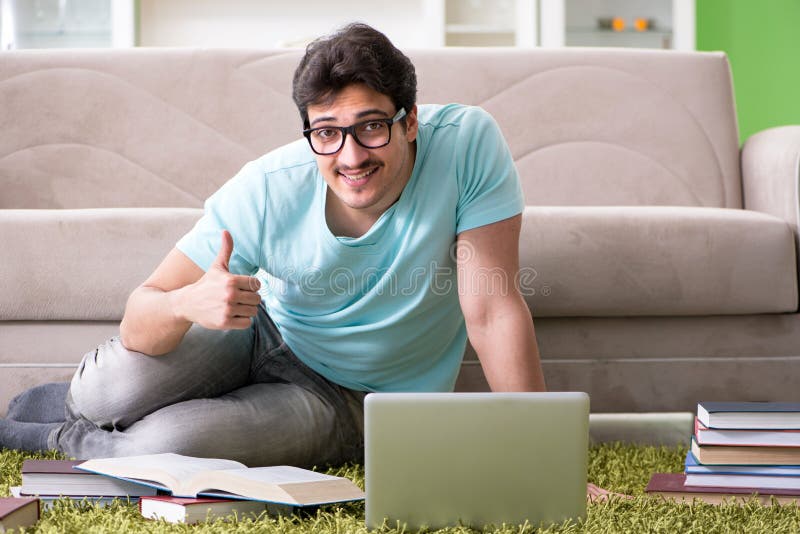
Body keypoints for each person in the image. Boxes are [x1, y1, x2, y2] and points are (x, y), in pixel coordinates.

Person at [0, 23, 545, 467]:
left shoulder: (468, 145)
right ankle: (75, 407)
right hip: (260, 333)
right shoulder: (269, 186)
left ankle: (64, 439)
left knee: (157, 448)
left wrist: (540, 456)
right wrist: (184, 303)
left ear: (410, 123)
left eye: (372, 126)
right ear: (309, 132)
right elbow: (142, 313)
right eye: (327, 132)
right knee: (104, 394)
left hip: (351, 399)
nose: (351, 157)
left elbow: (493, 310)